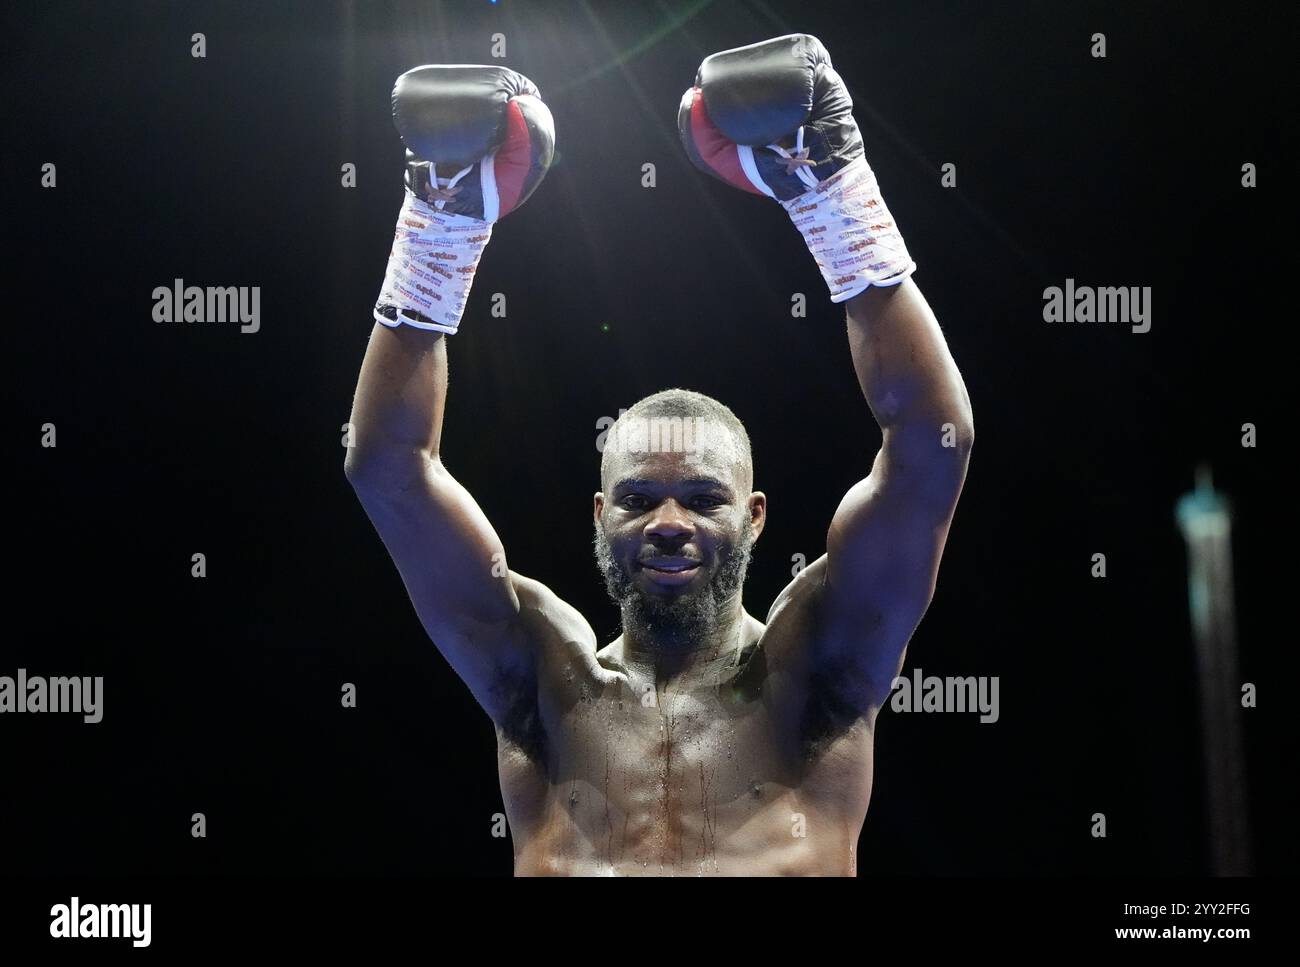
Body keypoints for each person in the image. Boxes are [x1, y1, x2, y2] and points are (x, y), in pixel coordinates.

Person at [345, 35, 973, 875]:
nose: (669, 523)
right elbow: (385, 464)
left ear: (754, 515)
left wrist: (833, 190)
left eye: (703, 499)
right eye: (639, 497)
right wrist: (440, 222)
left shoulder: (822, 662)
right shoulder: (543, 679)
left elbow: (935, 442)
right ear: (601, 515)